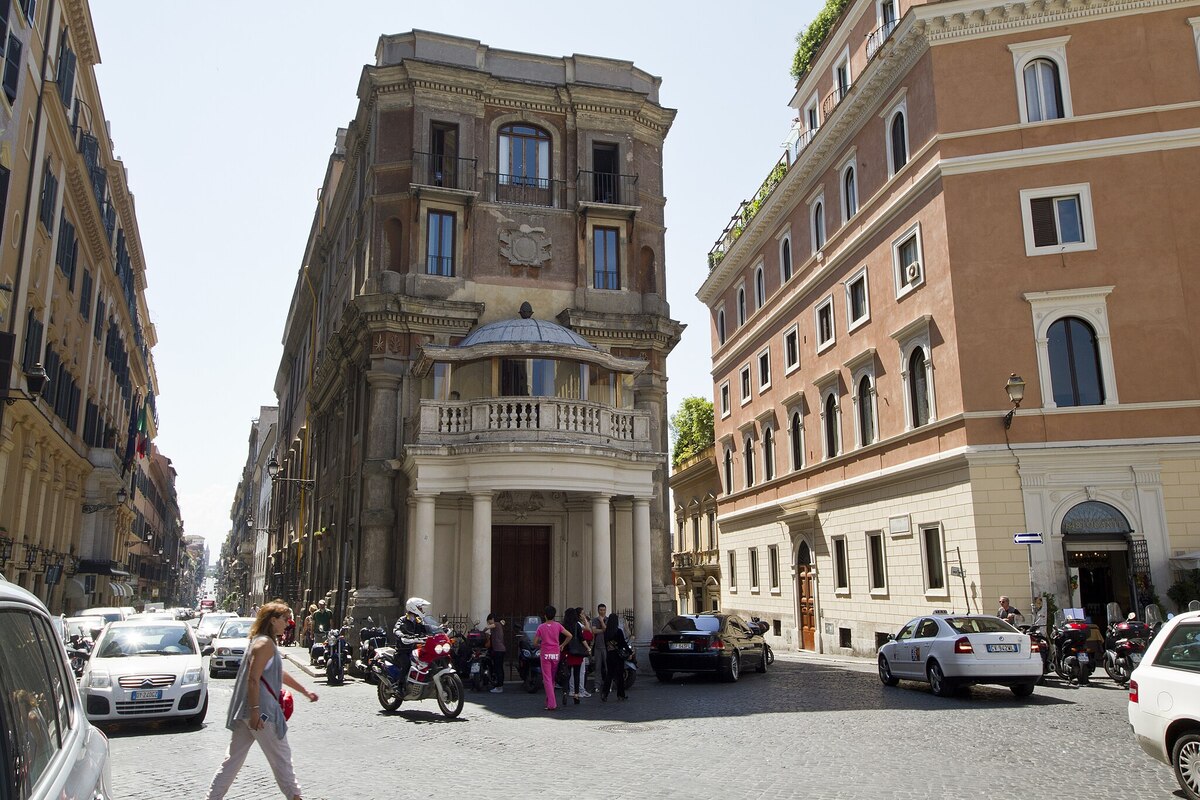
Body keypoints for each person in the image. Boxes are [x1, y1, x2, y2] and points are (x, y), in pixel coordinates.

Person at [205, 601, 319, 800]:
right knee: (281, 757)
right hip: (262, 712)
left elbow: (277, 673)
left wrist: (304, 690)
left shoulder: (260, 641)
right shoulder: (265, 643)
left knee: (232, 760)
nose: (288, 623)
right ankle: (295, 796)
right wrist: (257, 711)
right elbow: (253, 678)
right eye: (285, 619)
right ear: (273, 620)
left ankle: (212, 798)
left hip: (247, 712)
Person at [533, 605, 571, 711]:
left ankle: (552, 703)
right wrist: (562, 645)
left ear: (545, 616)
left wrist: (541, 645)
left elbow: (535, 642)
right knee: (552, 678)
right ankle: (549, 700)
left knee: (547, 679)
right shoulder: (558, 625)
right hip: (555, 654)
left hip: (545, 654)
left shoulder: (541, 627)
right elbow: (569, 635)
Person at [561, 607, 592, 705]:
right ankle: (576, 694)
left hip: (566, 652)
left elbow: (561, 639)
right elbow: (582, 638)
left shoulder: (563, 626)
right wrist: (588, 648)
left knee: (566, 674)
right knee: (577, 674)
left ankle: (565, 692)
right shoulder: (577, 626)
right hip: (577, 653)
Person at [396, 597, 433, 670]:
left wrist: (439, 628)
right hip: (404, 649)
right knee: (406, 665)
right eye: (420, 608)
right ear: (414, 608)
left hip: (417, 648)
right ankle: (401, 681)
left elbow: (426, 627)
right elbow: (396, 630)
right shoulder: (402, 620)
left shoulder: (418, 620)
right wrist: (403, 636)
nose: (422, 610)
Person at [601, 613, 628, 702]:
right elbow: (623, 644)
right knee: (620, 676)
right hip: (618, 656)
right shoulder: (618, 631)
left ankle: (604, 693)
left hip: (609, 655)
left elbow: (605, 644)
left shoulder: (606, 632)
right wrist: (630, 652)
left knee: (609, 675)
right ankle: (621, 695)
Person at [485, 613, 506, 693]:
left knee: (498, 668)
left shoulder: (496, 624)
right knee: (499, 668)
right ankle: (500, 685)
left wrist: (483, 629)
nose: (489, 623)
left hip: (499, 650)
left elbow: (489, 627)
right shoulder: (498, 626)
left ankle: (499, 687)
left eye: (489, 621)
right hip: (500, 650)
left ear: (492, 619)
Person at [591, 602, 608, 688]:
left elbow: (607, 629)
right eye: (601, 610)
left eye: (604, 610)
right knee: (597, 667)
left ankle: (608, 685)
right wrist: (603, 630)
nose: (602, 612)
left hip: (606, 646)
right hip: (598, 646)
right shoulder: (594, 620)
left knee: (607, 666)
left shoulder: (608, 619)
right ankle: (597, 685)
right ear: (598, 610)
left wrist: (601, 622)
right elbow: (593, 631)